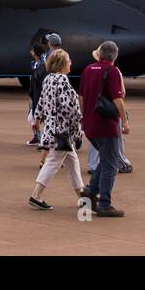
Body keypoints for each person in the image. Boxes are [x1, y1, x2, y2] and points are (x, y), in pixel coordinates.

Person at [29, 49, 86, 210]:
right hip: (62, 131)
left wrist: (37, 118)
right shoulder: (62, 80)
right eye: (68, 61)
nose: (71, 63)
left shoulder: (48, 79)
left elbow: (41, 100)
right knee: (53, 162)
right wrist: (80, 120)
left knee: (73, 162)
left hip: (53, 129)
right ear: (62, 64)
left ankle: (82, 196)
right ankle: (36, 195)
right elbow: (69, 106)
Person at [79, 41, 129, 217]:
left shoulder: (88, 69)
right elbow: (118, 99)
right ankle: (104, 203)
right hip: (106, 124)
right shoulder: (113, 71)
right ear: (115, 55)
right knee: (111, 165)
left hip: (90, 123)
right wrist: (125, 121)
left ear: (99, 55)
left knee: (106, 160)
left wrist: (83, 118)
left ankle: (91, 191)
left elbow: (81, 97)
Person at [26, 44, 47, 145]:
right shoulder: (35, 63)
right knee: (32, 117)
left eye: (32, 50)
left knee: (43, 118)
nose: (31, 52)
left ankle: (45, 139)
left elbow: (40, 79)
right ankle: (37, 137)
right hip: (34, 93)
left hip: (41, 95)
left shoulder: (43, 64)